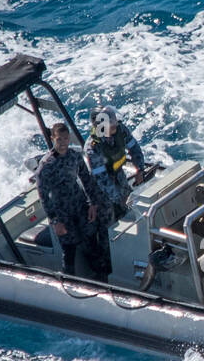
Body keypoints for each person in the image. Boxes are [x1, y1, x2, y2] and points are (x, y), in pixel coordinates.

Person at [34, 122, 111, 280]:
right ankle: (68, 283)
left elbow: (86, 180)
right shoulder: (46, 166)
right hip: (62, 213)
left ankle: (101, 278)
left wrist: (92, 204)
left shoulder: (75, 156)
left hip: (81, 206)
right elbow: (43, 196)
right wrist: (55, 221)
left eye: (66, 139)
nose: (63, 143)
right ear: (52, 139)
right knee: (69, 250)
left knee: (91, 242)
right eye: (59, 139)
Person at [85, 104, 145, 220]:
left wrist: (140, 169)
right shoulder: (93, 147)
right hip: (100, 188)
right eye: (109, 122)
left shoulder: (120, 130)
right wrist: (119, 198)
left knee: (131, 207)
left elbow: (134, 148)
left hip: (118, 174)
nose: (114, 124)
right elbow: (102, 179)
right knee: (110, 219)